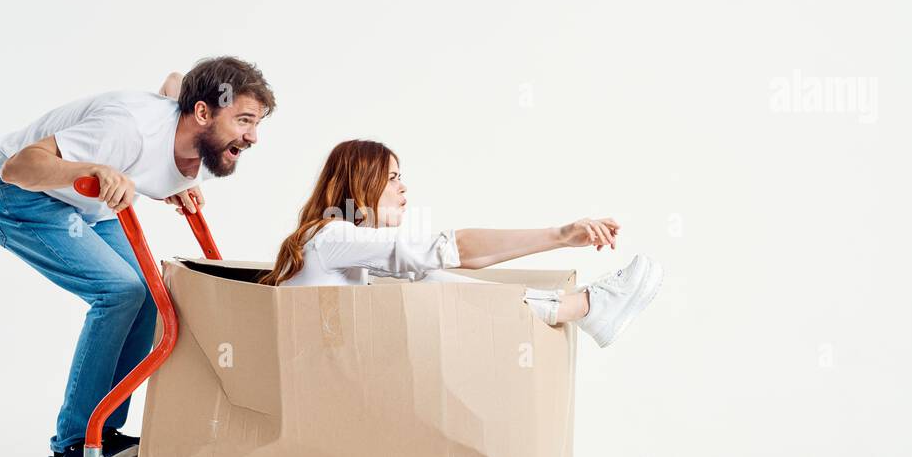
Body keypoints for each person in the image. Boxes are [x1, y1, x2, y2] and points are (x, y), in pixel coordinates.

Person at [0, 56, 276, 457]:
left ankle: (106, 432)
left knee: (155, 298)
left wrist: (172, 179)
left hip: (89, 205)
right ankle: (70, 447)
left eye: (257, 123)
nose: (253, 136)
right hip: (15, 197)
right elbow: (18, 167)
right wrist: (89, 169)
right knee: (120, 291)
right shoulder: (126, 129)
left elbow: (175, 83)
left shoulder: (186, 125)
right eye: (244, 120)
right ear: (203, 113)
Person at [262, 140, 661, 345]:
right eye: (393, 177)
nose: (404, 188)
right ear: (360, 180)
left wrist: (562, 238)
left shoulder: (332, 241)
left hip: (330, 370)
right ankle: (580, 306)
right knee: (430, 279)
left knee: (427, 280)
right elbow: (454, 250)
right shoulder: (330, 235)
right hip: (323, 378)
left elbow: (440, 260)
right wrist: (559, 235)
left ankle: (577, 307)